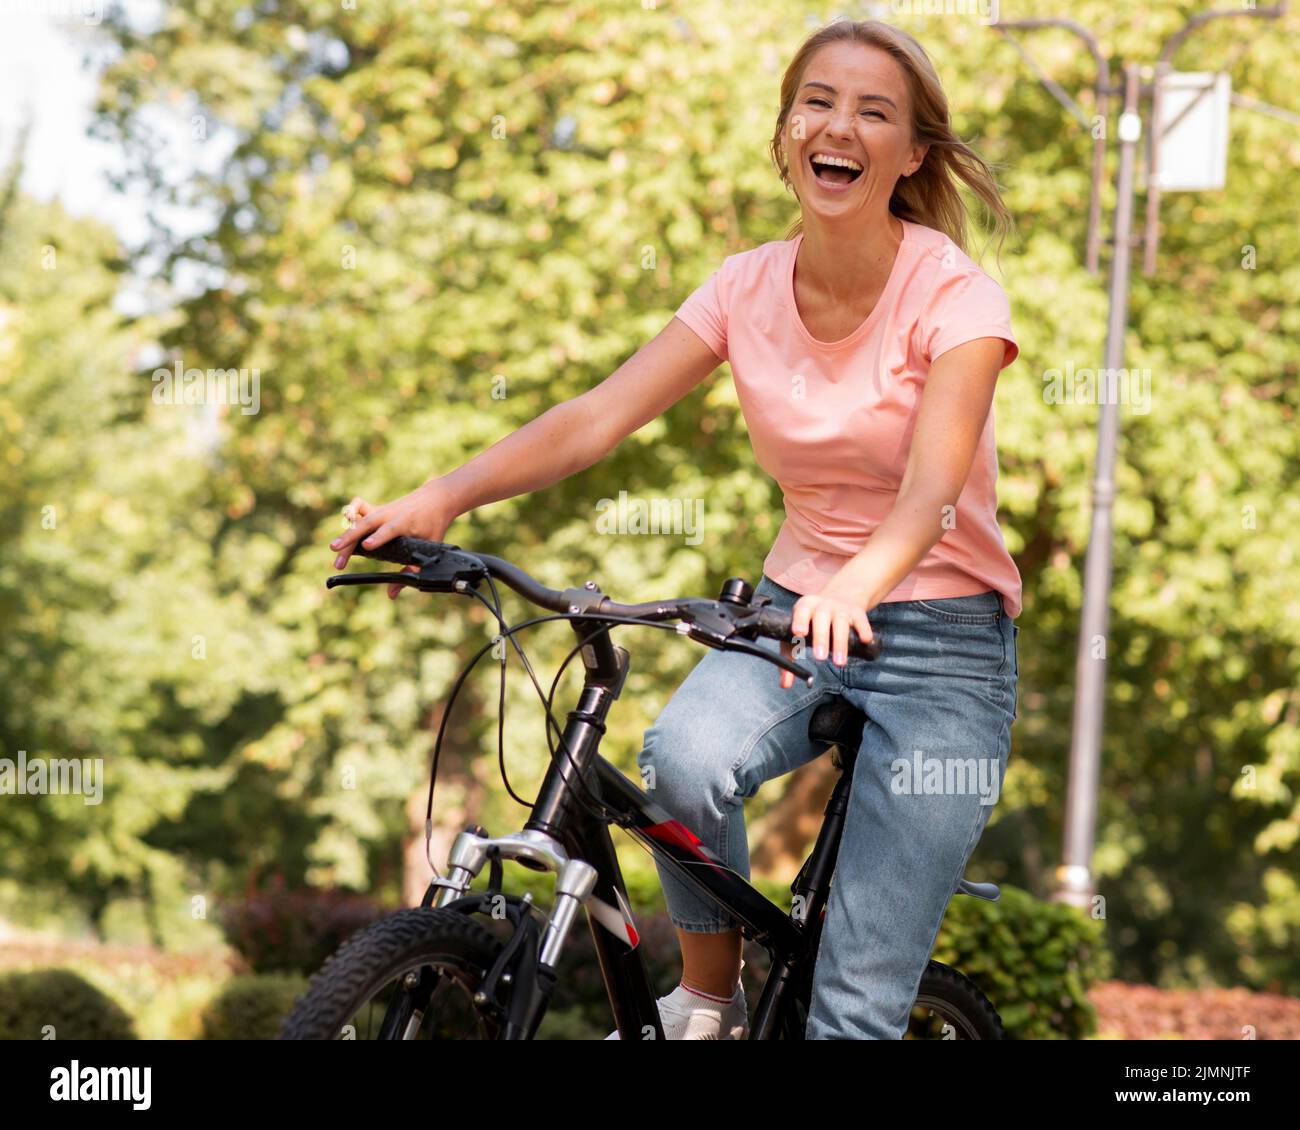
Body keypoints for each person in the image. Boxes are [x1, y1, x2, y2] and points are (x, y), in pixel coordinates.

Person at [330, 17, 1021, 1040]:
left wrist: (856, 584)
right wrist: (443, 495)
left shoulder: (953, 294)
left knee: (852, 1011)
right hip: (793, 617)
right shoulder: (745, 285)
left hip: (941, 643)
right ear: (788, 132)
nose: (839, 125)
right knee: (683, 758)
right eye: (817, 101)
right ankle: (709, 995)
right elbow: (596, 417)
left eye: (874, 111)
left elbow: (931, 488)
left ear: (912, 152)